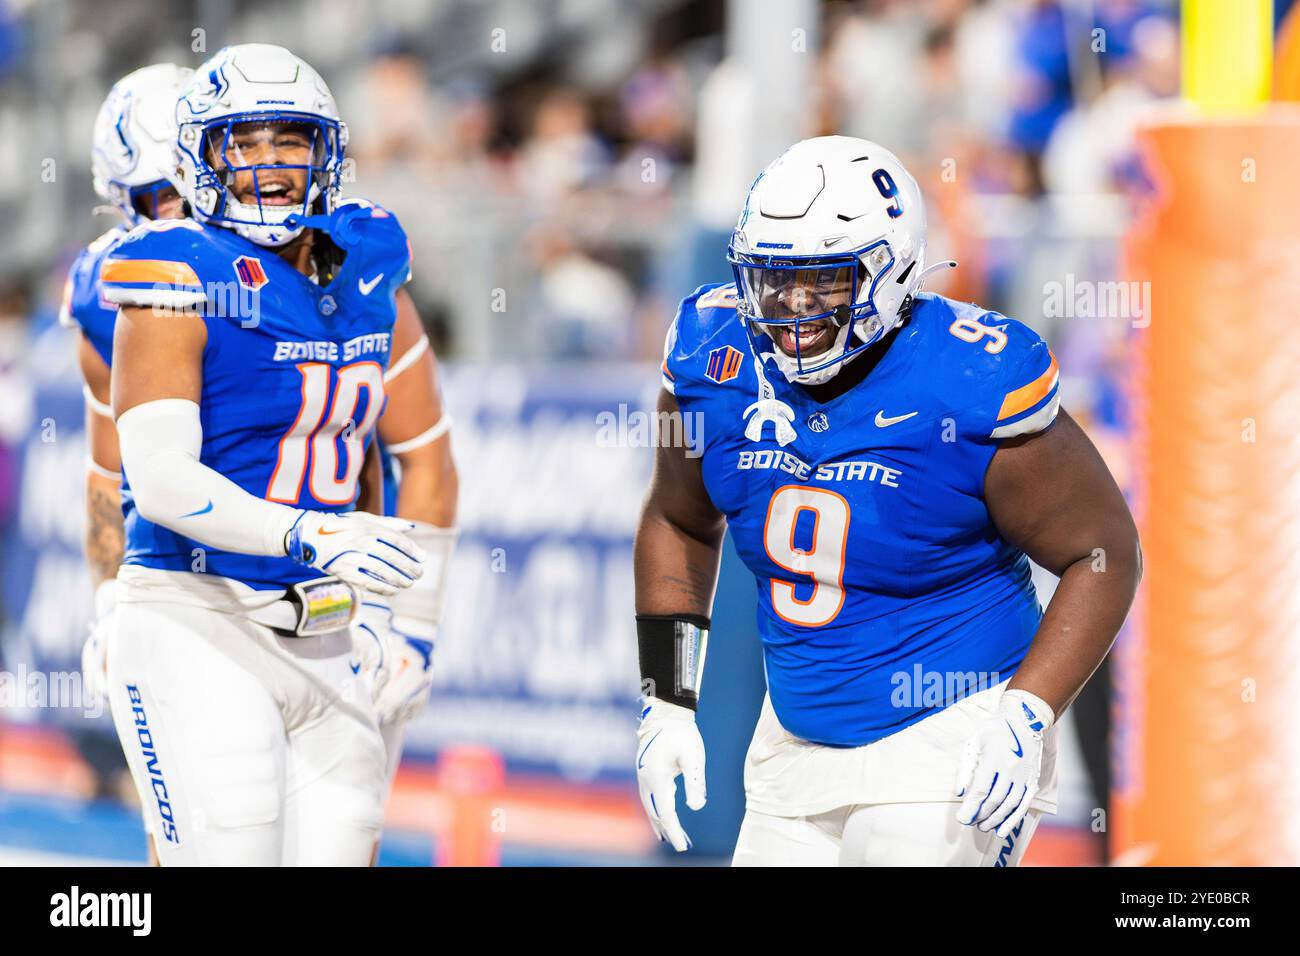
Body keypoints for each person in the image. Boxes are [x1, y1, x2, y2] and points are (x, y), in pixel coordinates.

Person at [633, 136, 1141, 866]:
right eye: (773, 279)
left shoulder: (965, 376)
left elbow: (1103, 552)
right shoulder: (712, 355)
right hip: (795, 731)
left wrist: (1027, 712)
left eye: (823, 283)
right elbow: (678, 518)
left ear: (892, 269)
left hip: (951, 726)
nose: (793, 307)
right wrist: (669, 698)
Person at [100, 44, 424, 866]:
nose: (271, 163)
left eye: (292, 138)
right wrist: (312, 534)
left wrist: (386, 610)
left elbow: (363, 446)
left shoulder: (366, 256)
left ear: (329, 150)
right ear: (201, 157)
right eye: (242, 142)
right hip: (196, 616)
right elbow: (161, 479)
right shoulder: (175, 267)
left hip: (325, 629)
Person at [61, 62, 192, 864]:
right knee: (175, 829)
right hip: (176, 582)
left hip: (294, 580)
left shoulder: (310, 265)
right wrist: (111, 598)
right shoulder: (111, 287)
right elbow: (108, 467)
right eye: (158, 197)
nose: (179, 214)